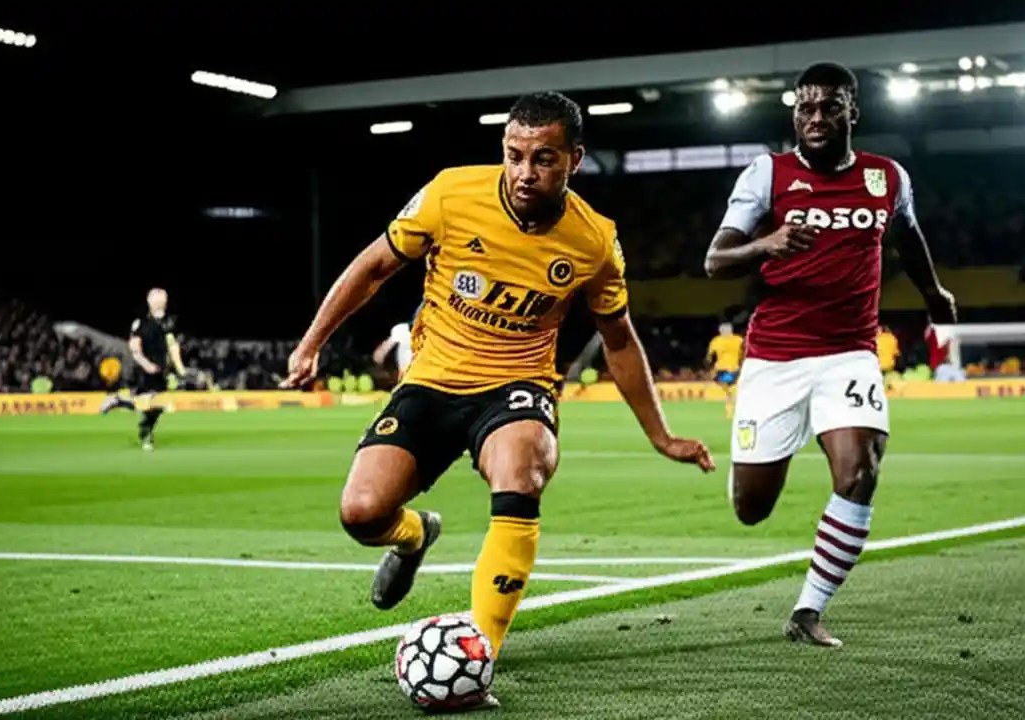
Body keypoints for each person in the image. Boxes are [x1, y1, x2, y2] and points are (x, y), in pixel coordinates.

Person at [282, 91, 715, 700]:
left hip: (517, 387)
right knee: (360, 513)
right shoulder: (450, 194)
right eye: (514, 155)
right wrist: (311, 344)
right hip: (431, 381)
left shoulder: (594, 242)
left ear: (574, 160)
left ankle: (479, 652)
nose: (524, 173)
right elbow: (373, 267)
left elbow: (619, 340)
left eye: (543, 159)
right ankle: (413, 536)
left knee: (521, 469)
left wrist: (660, 434)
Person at [703, 62, 957, 647]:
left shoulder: (885, 177)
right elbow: (715, 260)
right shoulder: (767, 174)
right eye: (805, 107)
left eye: (830, 107)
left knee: (860, 472)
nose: (816, 117)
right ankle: (765, 451)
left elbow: (908, 234)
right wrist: (767, 243)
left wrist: (933, 292)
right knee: (751, 508)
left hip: (849, 354)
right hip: (774, 360)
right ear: (794, 113)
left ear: (853, 113)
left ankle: (808, 611)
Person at [127, 288, 186, 451]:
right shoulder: (141, 323)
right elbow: (134, 348)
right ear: (149, 302)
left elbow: (173, 346)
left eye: (163, 299)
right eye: (157, 299)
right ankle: (146, 433)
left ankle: (146, 427)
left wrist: (179, 368)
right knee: (151, 402)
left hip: (161, 370)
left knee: (159, 406)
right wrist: (146, 365)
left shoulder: (170, 323)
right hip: (144, 370)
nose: (161, 302)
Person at [705, 321, 743, 419]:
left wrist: (708, 365)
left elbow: (709, 357)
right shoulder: (739, 339)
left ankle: (730, 411)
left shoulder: (716, 340)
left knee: (728, 389)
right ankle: (730, 409)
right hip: (734, 369)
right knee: (729, 388)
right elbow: (745, 352)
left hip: (723, 369)